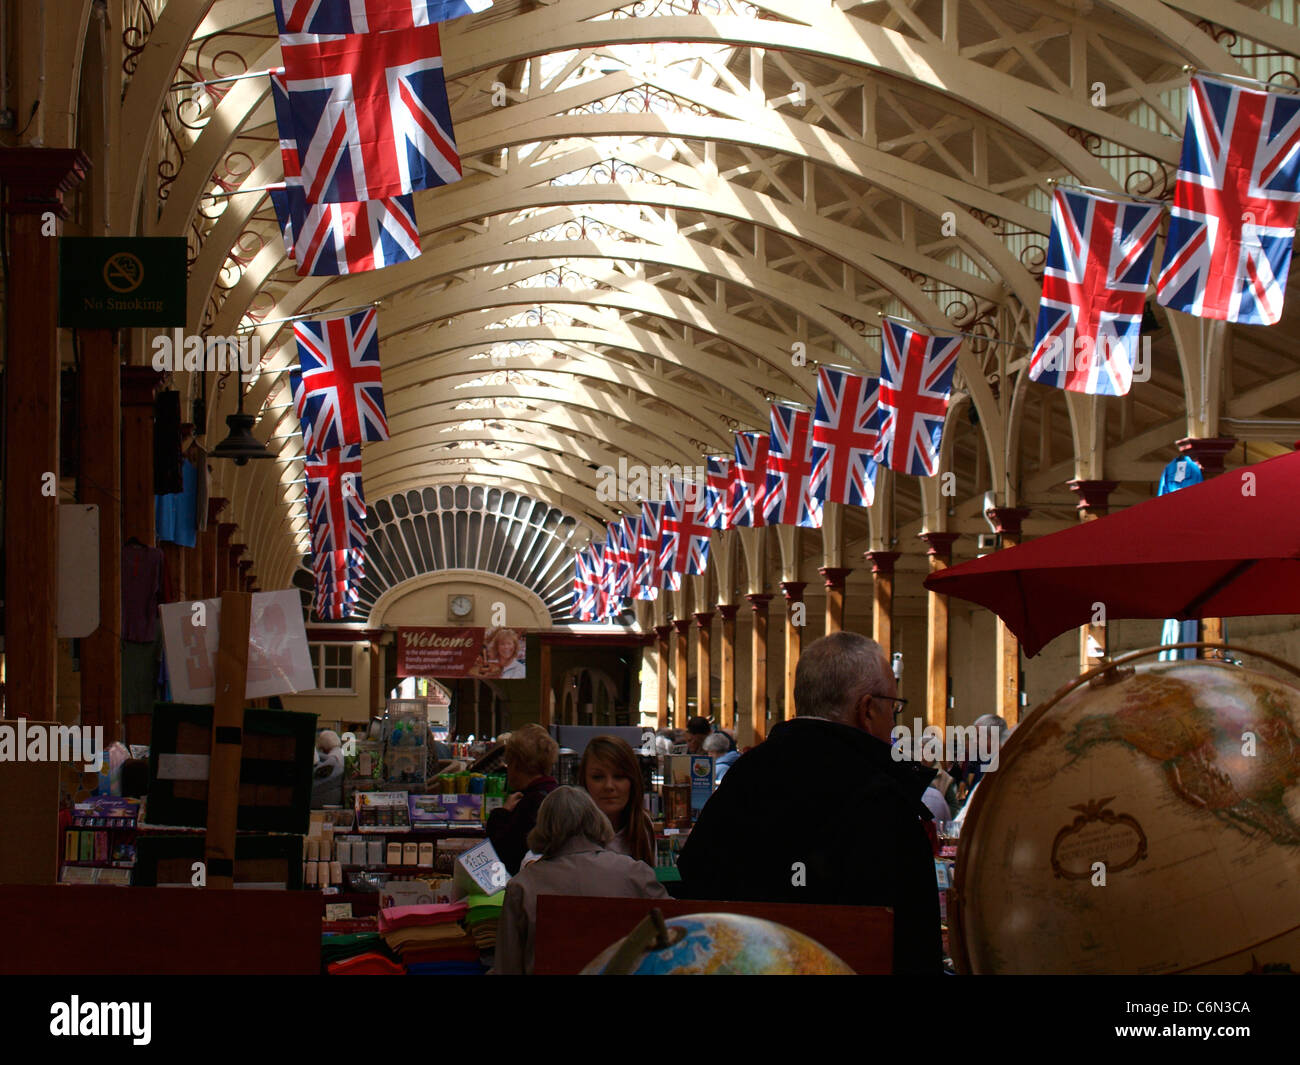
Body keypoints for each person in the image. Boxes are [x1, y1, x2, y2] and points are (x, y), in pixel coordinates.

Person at [676, 631, 943, 975]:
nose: (894, 720)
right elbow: (912, 939)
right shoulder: (882, 795)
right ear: (866, 710)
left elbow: (697, 887)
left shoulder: (745, 776)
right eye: (893, 707)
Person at [493, 787, 668, 975]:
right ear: (596, 820)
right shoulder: (635, 873)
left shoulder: (522, 886)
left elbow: (508, 966)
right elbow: (680, 927)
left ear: (542, 827)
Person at [485, 724, 558, 875]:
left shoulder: (528, 803)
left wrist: (502, 813)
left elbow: (503, 852)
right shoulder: (555, 794)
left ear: (517, 764)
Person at [578, 736, 655, 866]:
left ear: (633, 781)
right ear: (584, 781)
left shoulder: (643, 826)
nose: (609, 786)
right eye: (598, 777)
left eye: (619, 777)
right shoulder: (569, 828)